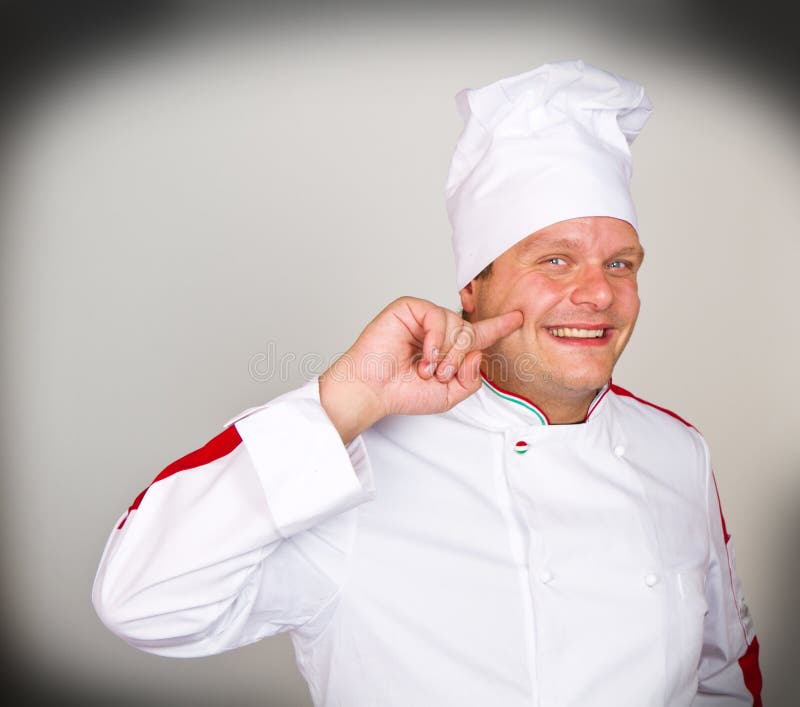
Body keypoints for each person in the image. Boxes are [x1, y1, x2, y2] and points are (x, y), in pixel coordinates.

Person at [92, 60, 762, 706]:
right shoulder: (350, 462)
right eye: (554, 259)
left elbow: (725, 677)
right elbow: (140, 601)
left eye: (620, 263)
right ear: (472, 286)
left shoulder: (679, 452)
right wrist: (347, 395)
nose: (596, 291)